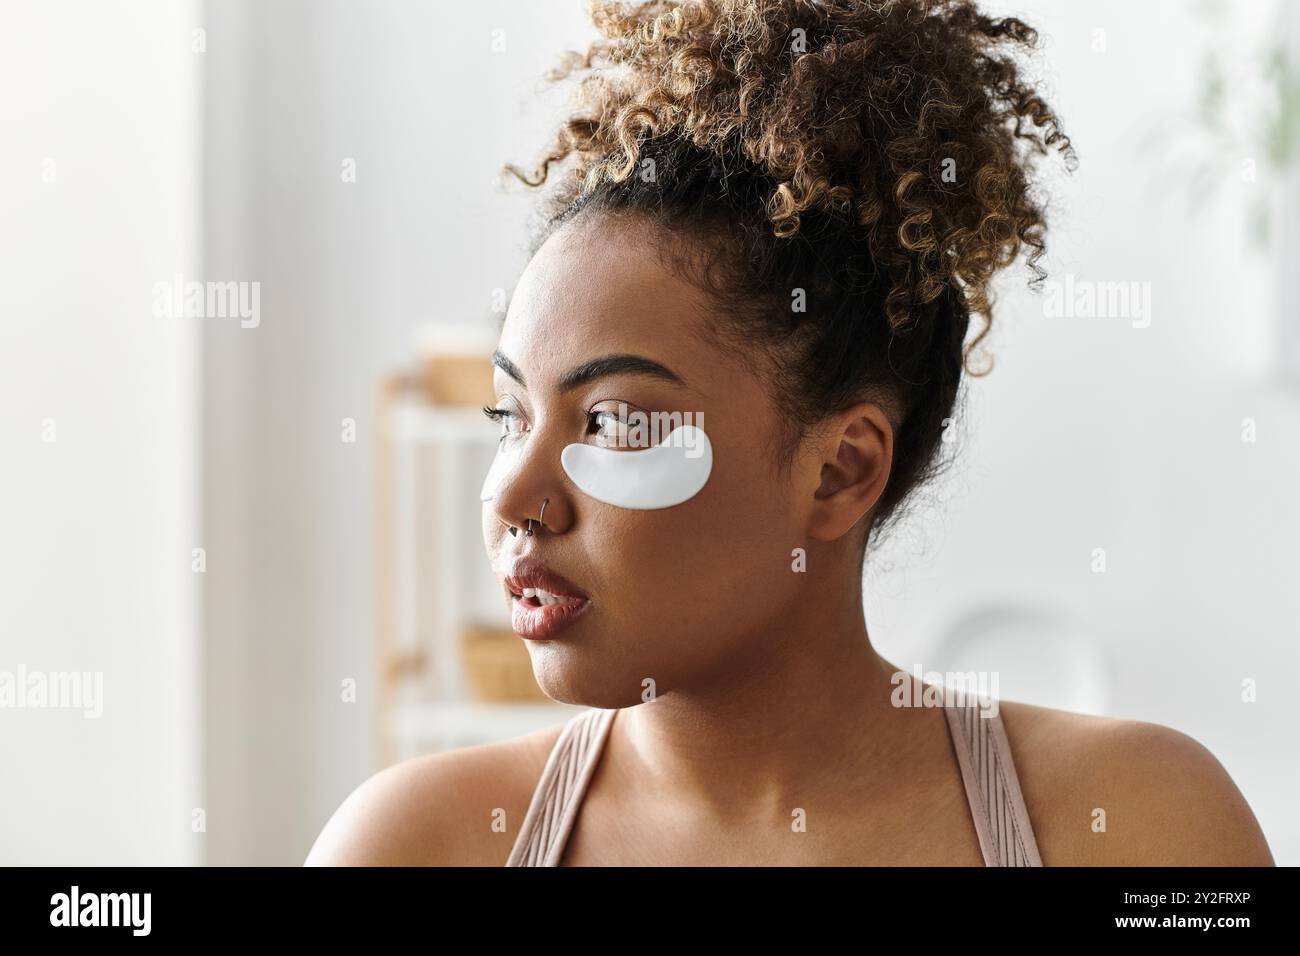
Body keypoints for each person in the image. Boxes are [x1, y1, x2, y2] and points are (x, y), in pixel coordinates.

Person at [307, 0, 1274, 866]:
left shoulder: (1143, 824)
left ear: (841, 470)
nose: (515, 501)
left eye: (614, 422)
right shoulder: (410, 846)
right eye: (509, 417)